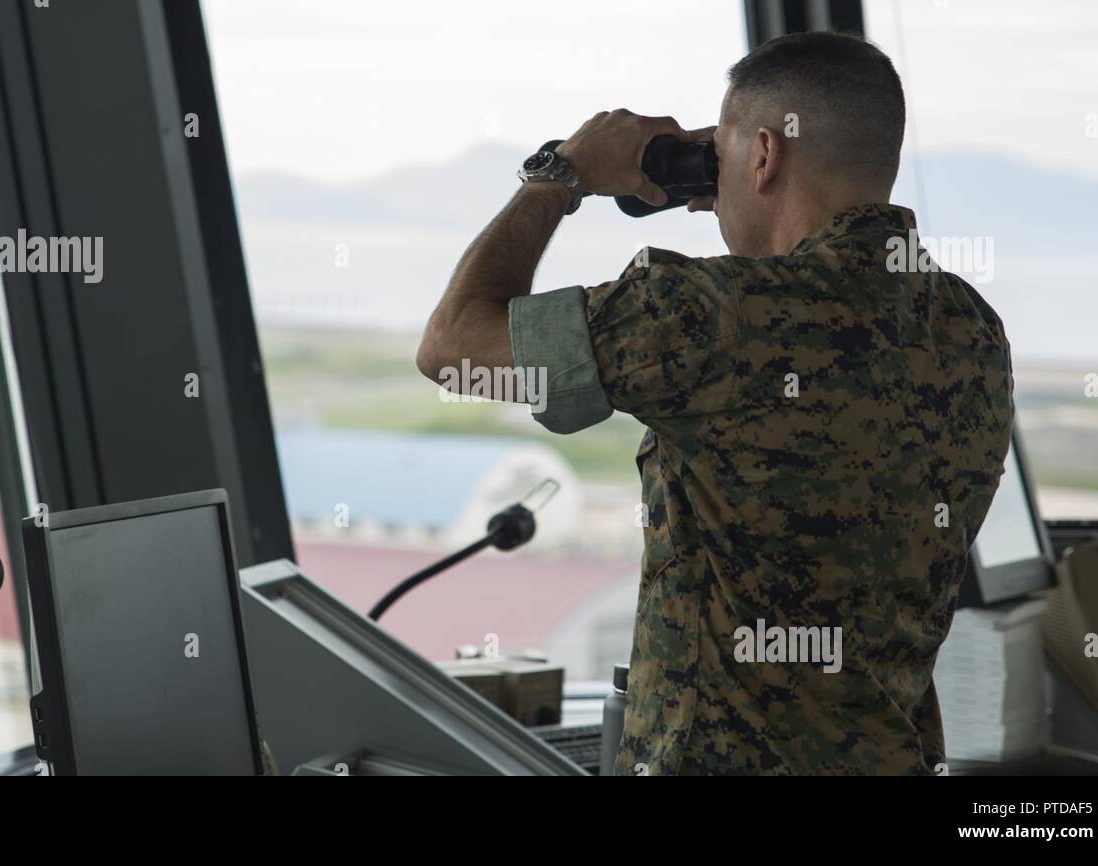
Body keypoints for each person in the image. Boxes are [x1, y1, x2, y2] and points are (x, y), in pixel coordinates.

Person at [416, 30, 1013, 775]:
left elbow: (451, 347)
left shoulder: (706, 315)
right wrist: (747, 204)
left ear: (765, 156)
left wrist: (559, 174)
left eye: (727, 155)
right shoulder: (972, 329)